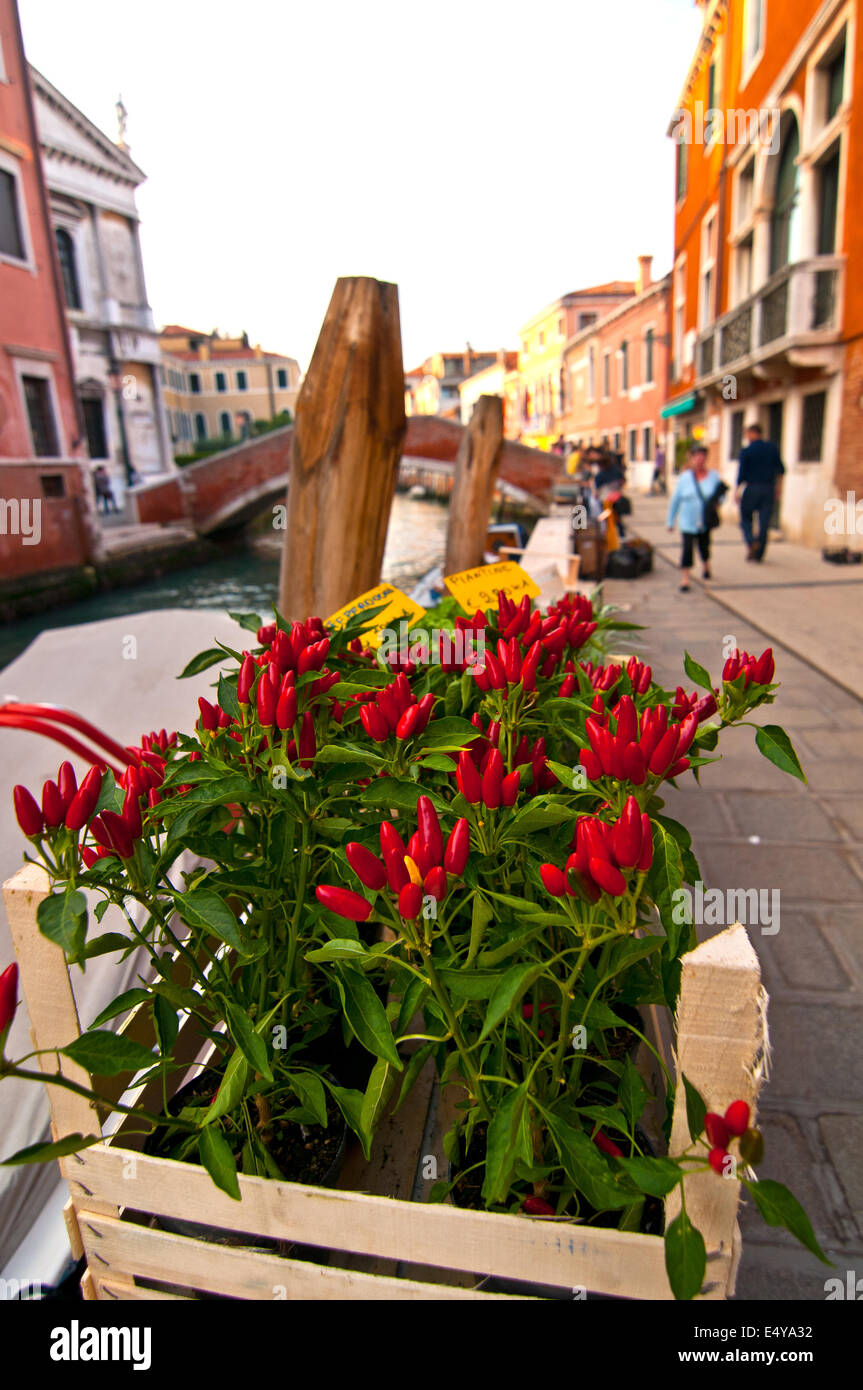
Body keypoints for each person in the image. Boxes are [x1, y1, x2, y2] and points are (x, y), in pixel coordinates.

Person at [666, 444, 725, 592]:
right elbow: (676, 499)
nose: (699, 459)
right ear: (692, 458)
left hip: (705, 520)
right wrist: (670, 520)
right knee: (687, 549)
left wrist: (718, 503)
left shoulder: (713, 476)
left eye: (702, 456)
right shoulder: (685, 478)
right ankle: (685, 579)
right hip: (687, 520)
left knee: (704, 546)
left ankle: (706, 565)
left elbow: (721, 494)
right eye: (696, 456)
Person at [736, 423, 784, 562]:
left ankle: (751, 542)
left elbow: (741, 475)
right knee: (764, 522)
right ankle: (759, 554)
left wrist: (737, 491)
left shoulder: (747, 451)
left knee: (745, 519)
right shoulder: (772, 448)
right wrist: (779, 488)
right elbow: (781, 470)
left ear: (752, 433)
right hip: (768, 489)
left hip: (751, 489)